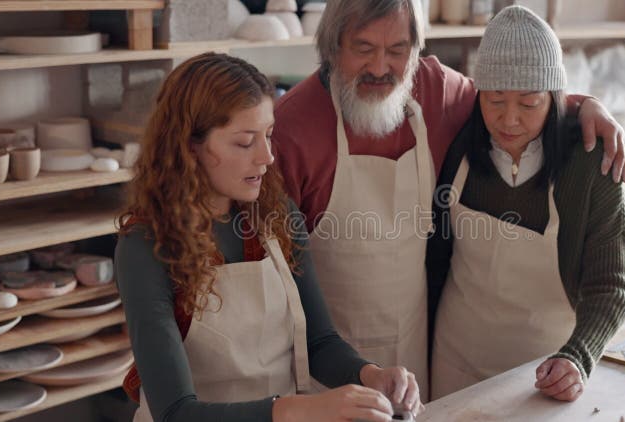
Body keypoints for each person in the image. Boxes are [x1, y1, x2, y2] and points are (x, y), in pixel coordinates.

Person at [272, 0, 625, 399]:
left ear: (416, 50)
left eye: (397, 50)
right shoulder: (290, 128)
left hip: (417, 358)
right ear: (332, 45)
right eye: (363, 48)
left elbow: (515, 91)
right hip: (330, 368)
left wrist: (587, 106)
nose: (380, 67)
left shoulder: (434, 90)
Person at [115, 53, 422, 422]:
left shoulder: (276, 214)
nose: (267, 157)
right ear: (189, 146)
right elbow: (176, 413)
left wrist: (371, 375)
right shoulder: (145, 246)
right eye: (246, 142)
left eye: (269, 135)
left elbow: (319, 342)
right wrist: (298, 409)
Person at [427, 6, 625, 402]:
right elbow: (435, 256)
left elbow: (610, 288)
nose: (509, 120)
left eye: (528, 103)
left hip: (545, 369)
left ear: (555, 98)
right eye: (495, 100)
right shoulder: (459, 145)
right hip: (454, 356)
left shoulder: (592, 163)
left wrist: (577, 357)